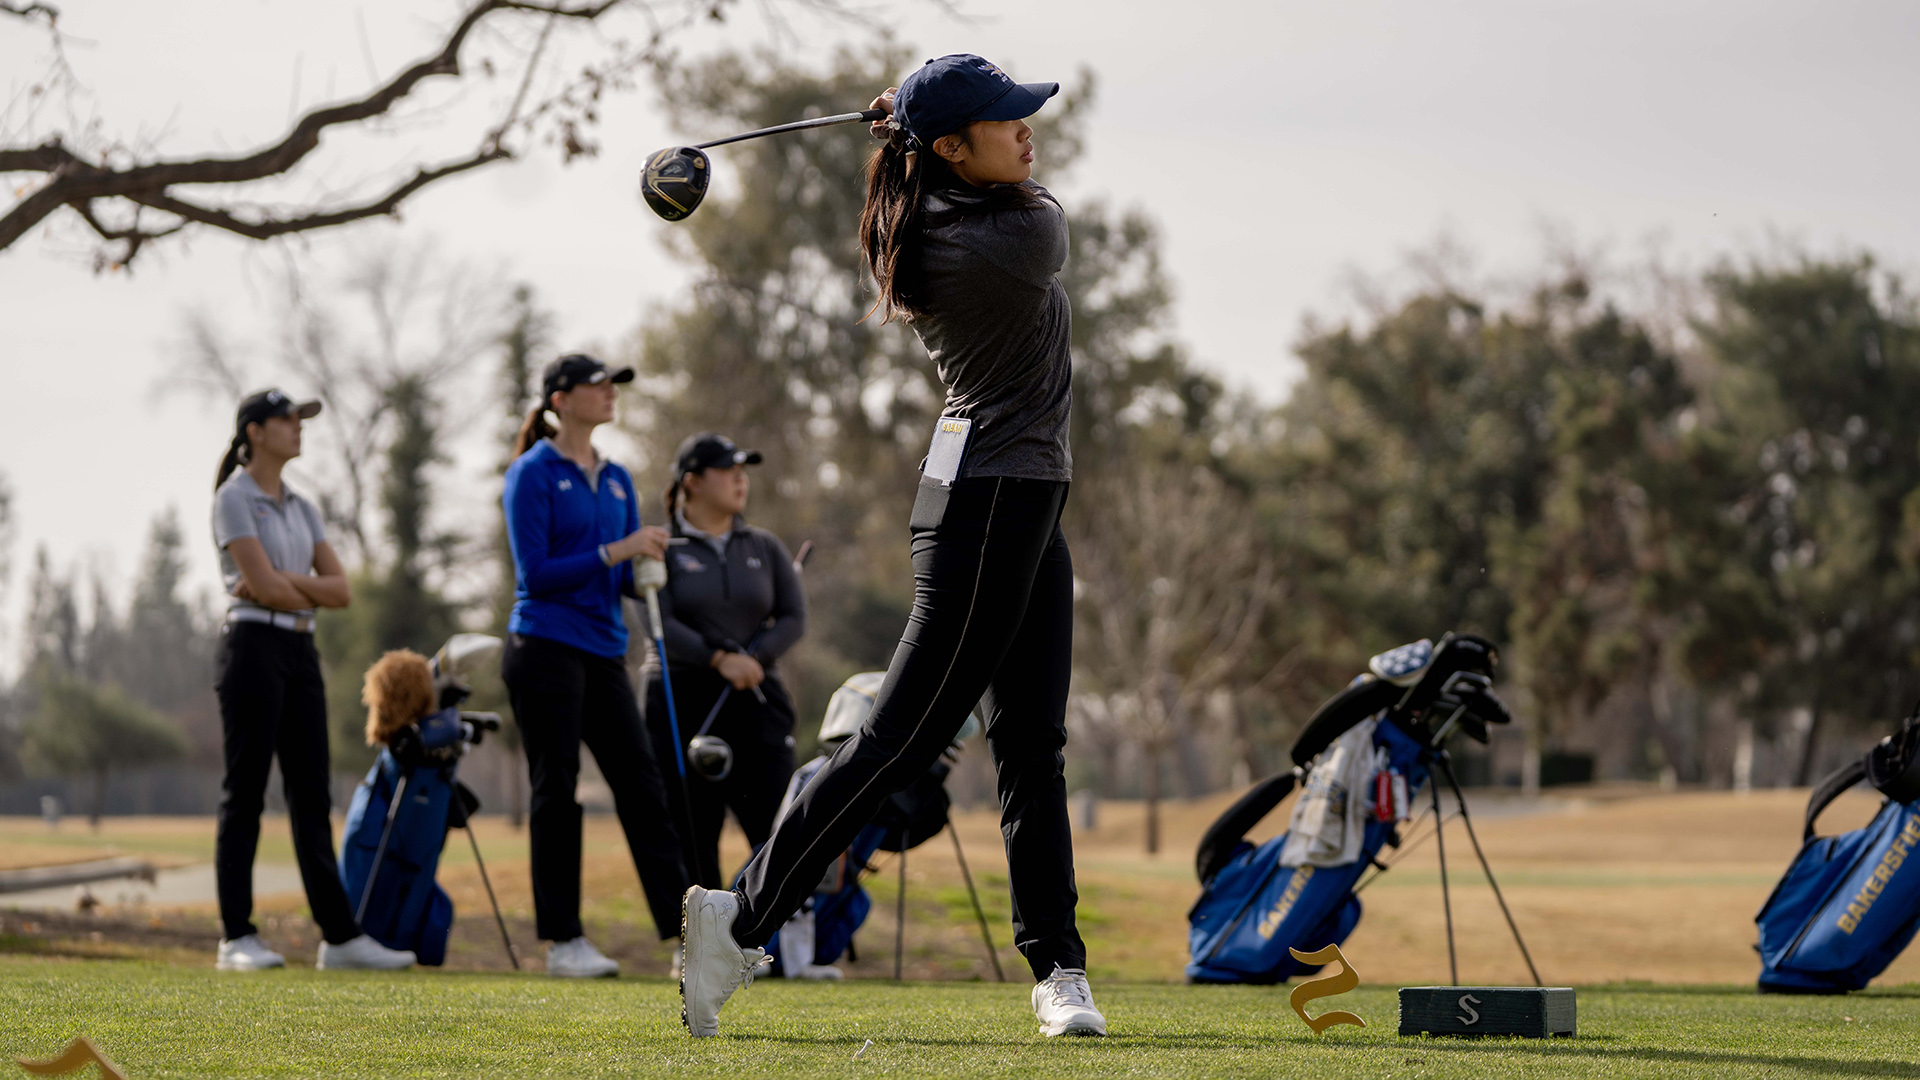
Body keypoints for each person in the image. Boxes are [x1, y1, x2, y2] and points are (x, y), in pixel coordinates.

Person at [680, 55, 1107, 1038]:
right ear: (952, 149)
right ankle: (738, 919)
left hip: (1022, 501)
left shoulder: (939, 210)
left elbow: (960, 165)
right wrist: (910, 125)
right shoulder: (1011, 237)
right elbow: (1046, 211)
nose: (1027, 131)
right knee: (901, 741)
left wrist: (919, 128)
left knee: (1032, 742)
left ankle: (1058, 968)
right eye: (1004, 122)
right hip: (989, 508)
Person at [501, 353, 694, 978]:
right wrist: (619, 550)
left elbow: (626, 575)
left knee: (643, 788)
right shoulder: (532, 473)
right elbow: (537, 575)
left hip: (604, 647)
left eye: (613, 385)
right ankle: (564, 941)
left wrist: (651, 569)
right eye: (596, 384)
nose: (610, 392)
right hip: (545, 646)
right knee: (556, 790)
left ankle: (688, 938)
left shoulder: (617, 477)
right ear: (560, 399)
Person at [211, 389, 416, 972]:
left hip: (299, 649)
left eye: (299, 419)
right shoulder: (233, 498)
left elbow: (341, 590)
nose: (297, 427)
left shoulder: (301, 506)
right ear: (254, 431)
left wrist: (280, 580)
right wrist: (289, 584)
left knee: (311, 793)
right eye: (285, 419)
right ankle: (237, 936)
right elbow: (272, 590)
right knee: (245, 791)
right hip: (251, 646)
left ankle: (341, 937)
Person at [644, 433, 807, 889]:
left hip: (754, 692)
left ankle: (768, 935)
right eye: (727, 469)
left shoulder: (763, 546)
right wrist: (717, 659)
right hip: (682, 695)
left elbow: (794, 617)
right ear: (691, 481)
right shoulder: (658, 546)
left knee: (774, 817)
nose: (740, 479)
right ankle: (694, 941)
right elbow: (658, 621)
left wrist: (755, 658)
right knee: (692, 824)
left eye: (743, 470)